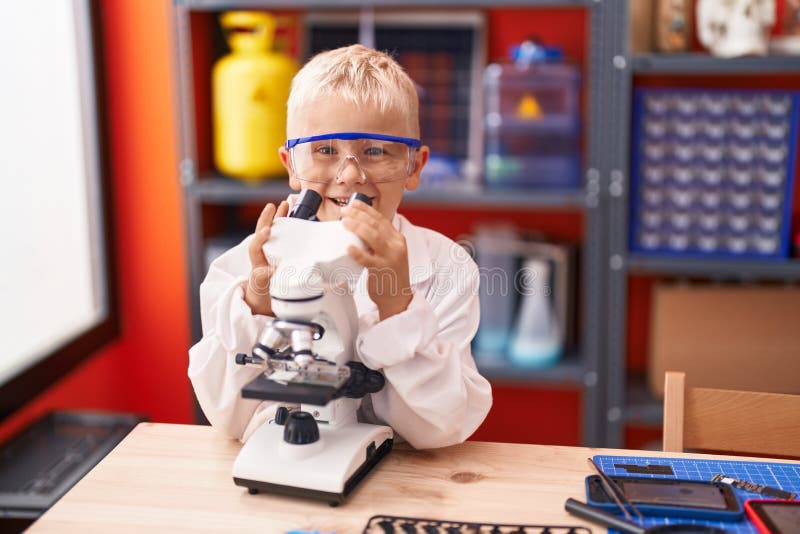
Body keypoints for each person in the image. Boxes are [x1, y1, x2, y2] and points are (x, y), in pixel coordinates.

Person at [188, 44, 492, 449]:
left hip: (409, 479)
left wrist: (396, 306)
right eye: (325, 151)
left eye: (376, 151)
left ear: (414, 167)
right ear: (291, 165)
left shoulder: (448, 268)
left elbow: (444, 428)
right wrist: (258, 304)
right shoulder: (238, 269)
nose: (349, 175)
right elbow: (228, 416)